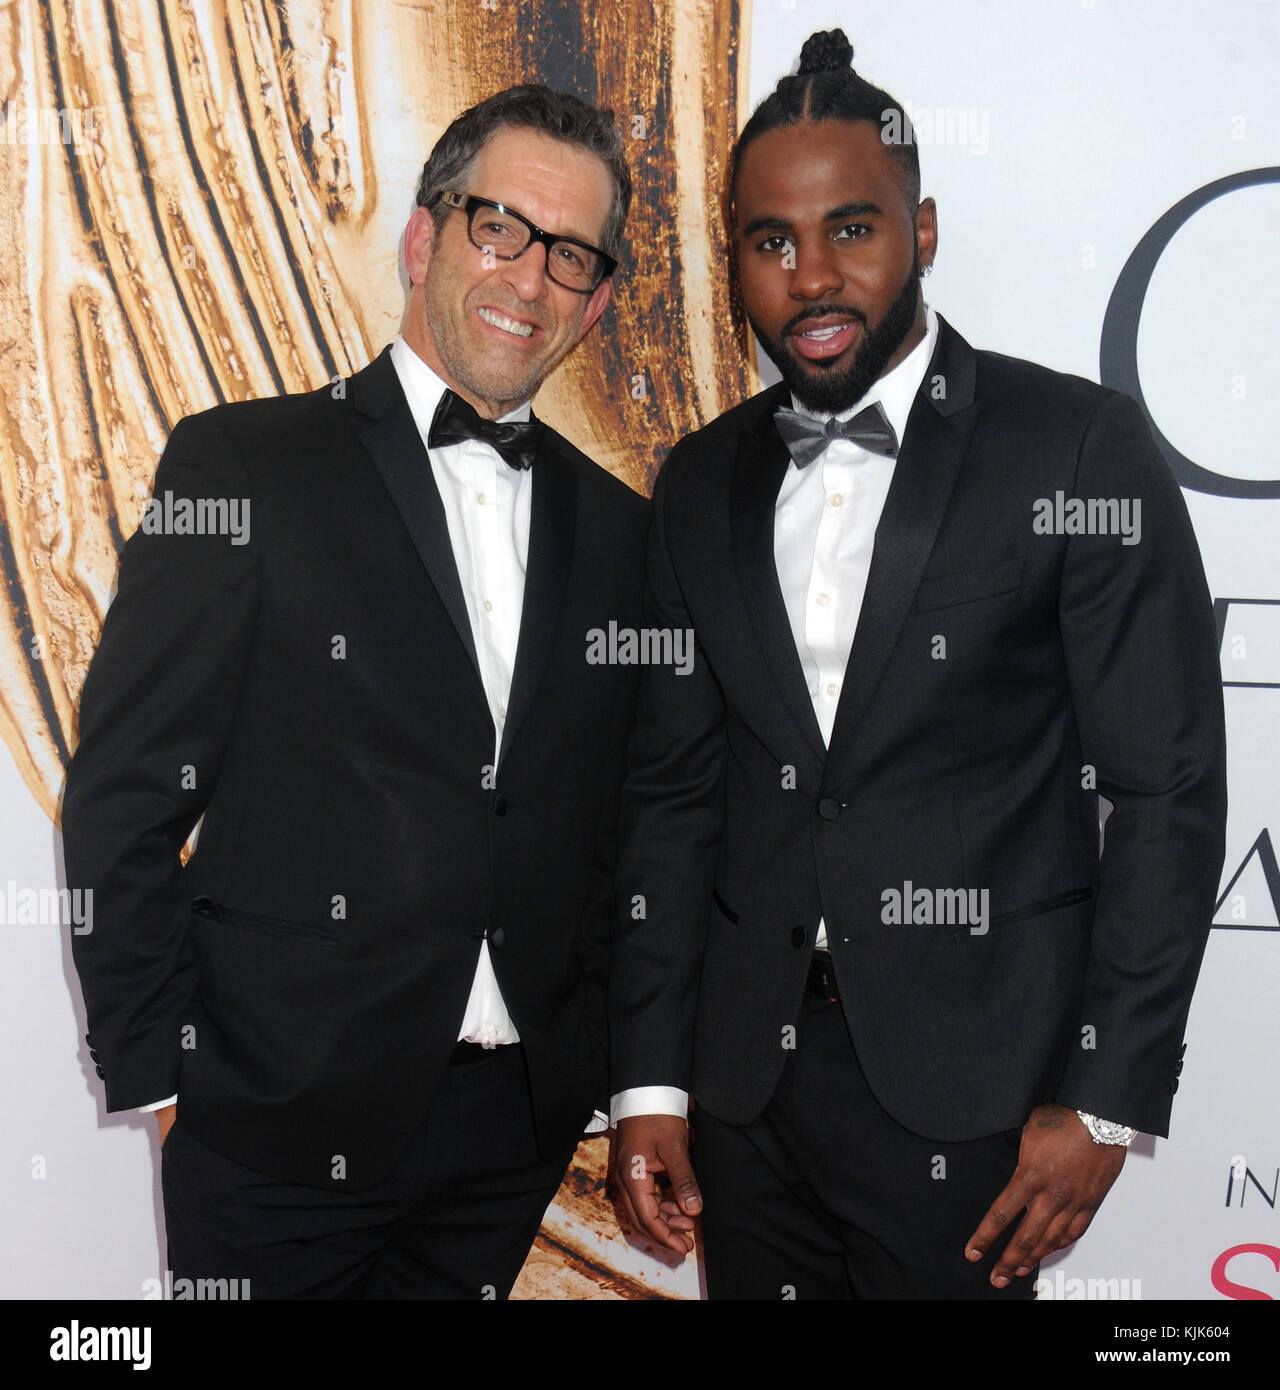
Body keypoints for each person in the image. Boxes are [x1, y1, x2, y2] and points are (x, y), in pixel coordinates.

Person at [608, 30, 1226, 1299]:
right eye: (769, 242)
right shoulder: (697, 481)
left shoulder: (1070, 449)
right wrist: (652, 1081)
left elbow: (1163, 792)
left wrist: (1101, 1101)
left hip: (976, 1097)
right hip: (745, 1091)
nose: (811, 275)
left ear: (924, 229)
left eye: (852, 229)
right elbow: (671, 798)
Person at [64, 83, 648, 1299]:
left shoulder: (628, 535)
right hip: (270, 1124)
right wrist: (170, 1077)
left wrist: (588, 1068)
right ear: (425, 238)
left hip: (509, 1138)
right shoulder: (242, 465)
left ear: (593, 306)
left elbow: (631, 831)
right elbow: (124, 792)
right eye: (500, 228)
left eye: (569, 255)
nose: (528, 277)